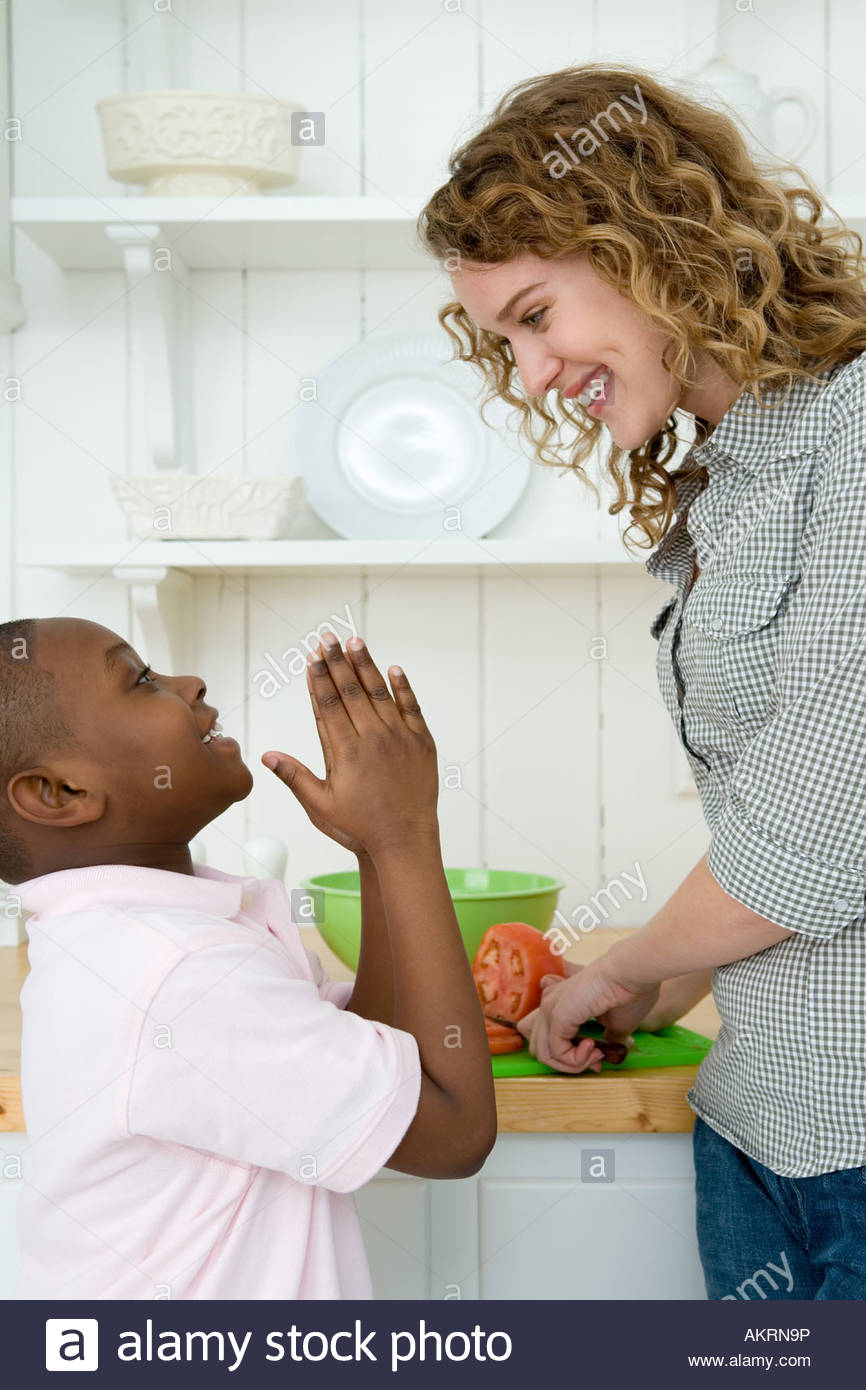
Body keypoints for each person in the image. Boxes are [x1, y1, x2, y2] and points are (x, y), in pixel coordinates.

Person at [419, 62, 866, 1300]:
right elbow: (780, 826)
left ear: (644, 243)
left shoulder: (858, 437)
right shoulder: (738, 475)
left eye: (533, 316)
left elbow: (819, 826)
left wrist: (619, 967)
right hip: (759, 1128)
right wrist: (668, 974)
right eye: (501, 341)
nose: (531, 374)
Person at [2, 616, 495, 1299]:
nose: (189, 683)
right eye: (141, 680)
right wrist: (405, 833)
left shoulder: (143, 936)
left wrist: (376, 849)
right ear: (60, 794)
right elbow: (454, 1132)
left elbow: (383, 1058)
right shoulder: (177, 974)